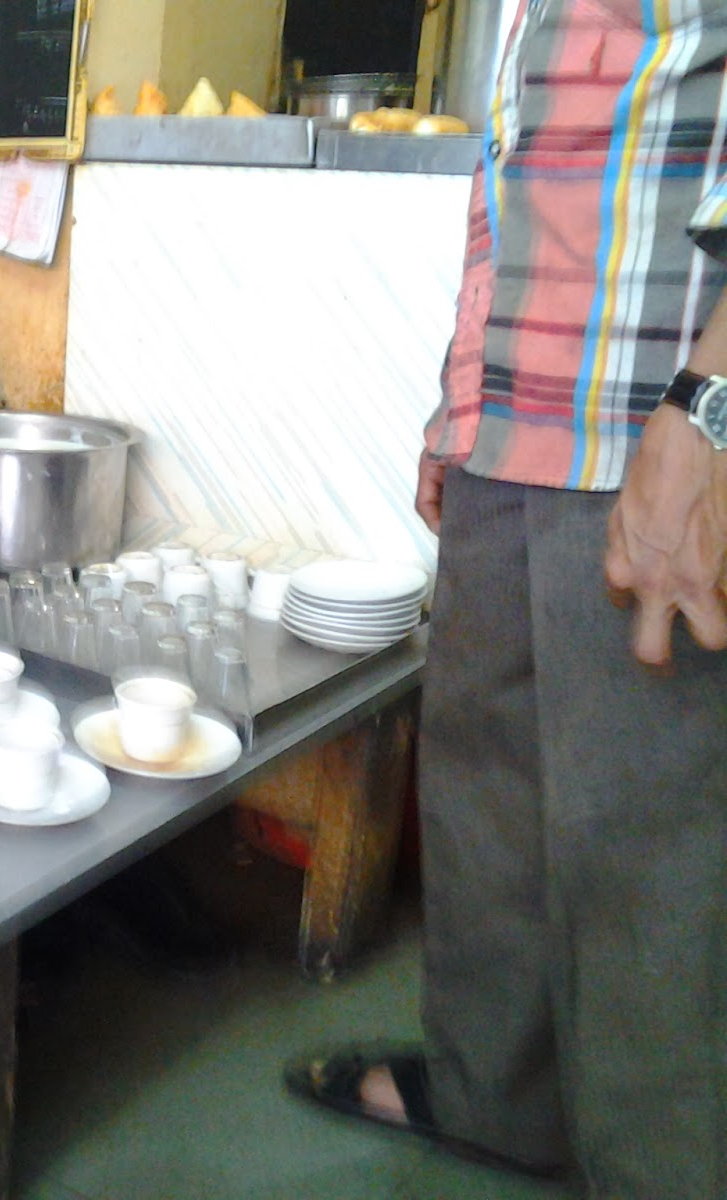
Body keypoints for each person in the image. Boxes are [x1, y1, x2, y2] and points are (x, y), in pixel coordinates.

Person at [285, 2, 727, 1194]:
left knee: (650, 857)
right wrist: (458, 400)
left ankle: (660, 1164)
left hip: (662, 422)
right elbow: (525, 158)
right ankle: (499, 1107)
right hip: (514, 418)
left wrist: (710, 414)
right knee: (486, 800)